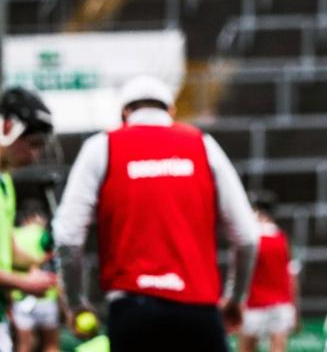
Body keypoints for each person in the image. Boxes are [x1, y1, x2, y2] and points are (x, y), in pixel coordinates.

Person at [53, 74, 259, 352]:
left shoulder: (101, 147)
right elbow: (247, 236)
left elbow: (67, 237)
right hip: (198, 311)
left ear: (125, 113)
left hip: (133, 311)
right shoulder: (203, 145)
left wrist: (75, 303)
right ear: (171, 111)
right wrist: (235, 299)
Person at [0, 88, 58, 352]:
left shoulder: (6, 182)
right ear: (7, 127)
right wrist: (24, 282)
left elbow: (7, 250)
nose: (35, 155)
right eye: (32, 144)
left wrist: (38, 266)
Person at [239, 192, 298, 352]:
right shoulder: (283, 240)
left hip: (254, 305)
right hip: (281, 305)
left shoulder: (251, 239)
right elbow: (292, 277)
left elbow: (241, 274)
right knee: (278, 347)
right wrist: (295, 308)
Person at [10, 201, 60, 352]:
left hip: (20, 296)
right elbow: (54, 261)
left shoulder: (13, 234)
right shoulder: (44, 235)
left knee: (24, 345)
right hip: (45, 295)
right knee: (51, 345)